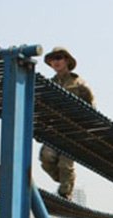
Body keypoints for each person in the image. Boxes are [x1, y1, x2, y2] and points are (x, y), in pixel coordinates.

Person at [41, 47, 96, 200]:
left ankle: (66, 192)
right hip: (56, 129)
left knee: (65, 164)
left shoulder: (78, 83)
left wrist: (86, 128)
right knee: (46, 158)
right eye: (53, 59)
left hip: (73, 130)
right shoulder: (49, 84)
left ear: (66, 61)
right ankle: (66, 180)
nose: (56, 61)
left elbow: (91, 106)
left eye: (59, 58)